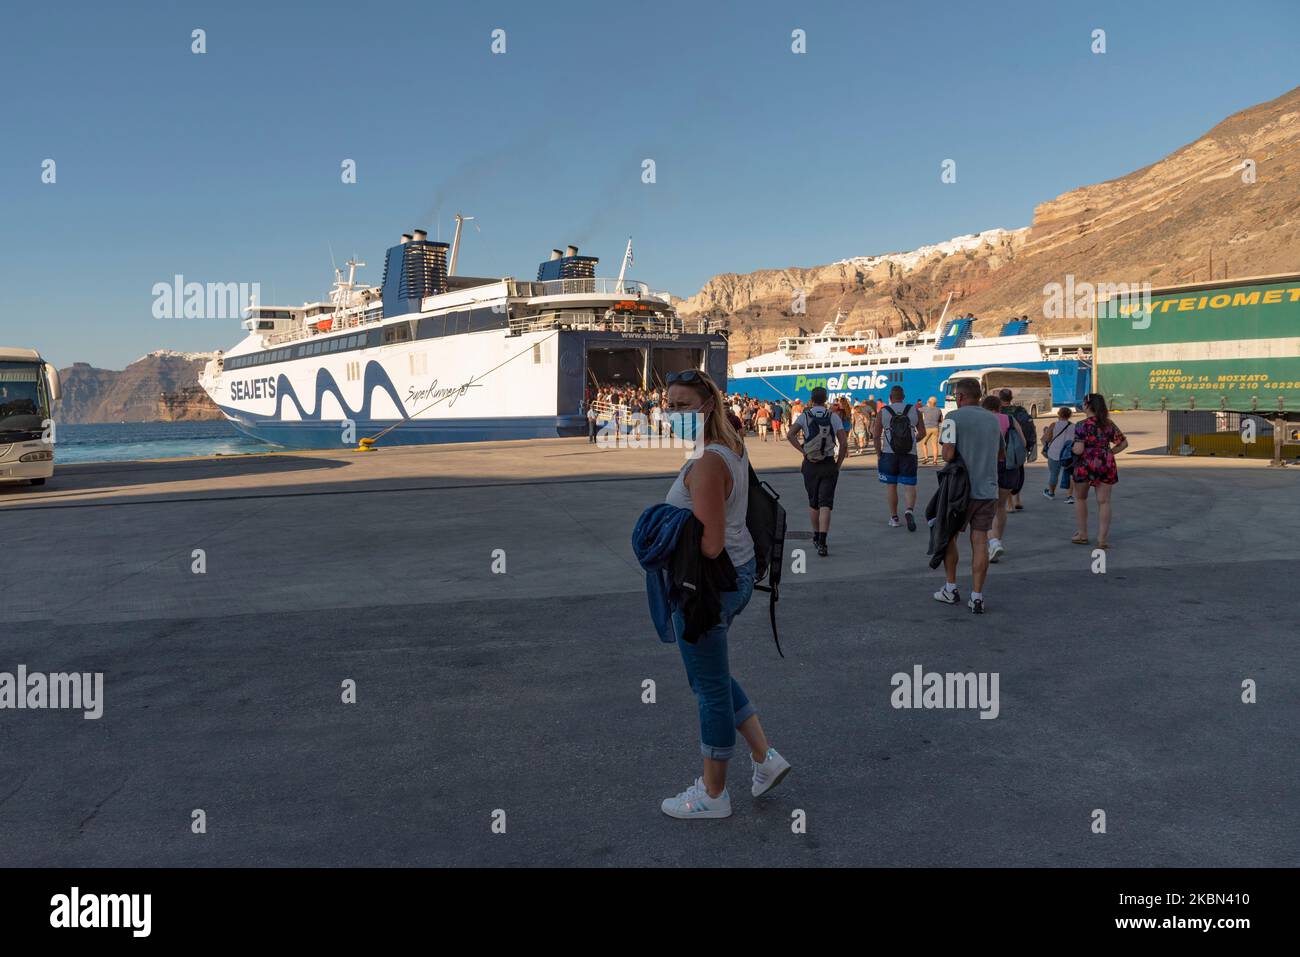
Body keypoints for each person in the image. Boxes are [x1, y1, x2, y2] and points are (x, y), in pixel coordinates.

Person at [658, 369, 791, 819]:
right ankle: (765, 758)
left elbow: (710, 542)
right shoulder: (730, 443)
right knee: (711, 676)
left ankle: (713, 796)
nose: (673, 413)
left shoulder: (709, 461)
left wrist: (663, 535)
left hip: (708, 587)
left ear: (707, 406)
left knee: (709, 689)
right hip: (734, 574)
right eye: (669, 405)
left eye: (682, 405)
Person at [935, 378, 1001, 614]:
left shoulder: (953, 418)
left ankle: (950, 588)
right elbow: (1000, 454)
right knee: (980, 540)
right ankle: (977, 596)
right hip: (988, 490)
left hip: (959, 492)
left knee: (950, 536)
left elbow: (948, 455)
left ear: (960, 397)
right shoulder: (993, 420)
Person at [788, 386, 848, 557]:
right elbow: (843, 443)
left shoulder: (805, 415)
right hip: (828, 463)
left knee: (813, 503)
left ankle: (815, 536)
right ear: (826, 398)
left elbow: (790, 434)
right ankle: (823, 541)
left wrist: (803, 451)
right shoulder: (833, 416)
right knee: (826, 504)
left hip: (810, 464)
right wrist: (838, 464)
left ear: (812, 399)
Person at [1071, 393, 1128, 548]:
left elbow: (1078, 449)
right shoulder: (1108, 424)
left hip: (1085, 464)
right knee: (1104, 502)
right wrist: (1108, 453)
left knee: (1081, 498)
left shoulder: (1081, 425)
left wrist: (1071, 449)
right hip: (1106, 464)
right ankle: (1102, 539)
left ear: (1087, 406)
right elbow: (1123, 444)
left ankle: (1082, 534)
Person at [981, 394, 1026, 563]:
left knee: (988, 506)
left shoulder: (983, 420)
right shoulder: (1010, 419)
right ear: (999, 407)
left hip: (989, 466)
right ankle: (997, 541)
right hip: (1009, 466)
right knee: (1000, 506)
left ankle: (993, 544)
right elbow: (1022, 442)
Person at [872, 386, 925, 531]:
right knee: (909, 485)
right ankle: (909, 510)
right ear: (903, 396)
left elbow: (876, 435)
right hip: (909, 454)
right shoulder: (914, 410)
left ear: (890, 397)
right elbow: (922, 433)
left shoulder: (883, 412)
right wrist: (912, 442)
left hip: (889, 454)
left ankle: (894, 518)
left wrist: (879, 453)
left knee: (891, 486)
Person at [998, 388, 1036, 510]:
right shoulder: (1020, 411)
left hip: (1004, 447)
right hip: (1019, 446)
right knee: (1018, 470)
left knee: (1006, 473)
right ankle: (1017, 499)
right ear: (1011, 398)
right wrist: (1029, 445)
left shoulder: (999, 412)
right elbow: (1029, 428)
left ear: (1000, 398)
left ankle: (1009, 503)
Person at [1042, 408, 1076, 502]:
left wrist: (1045, 432)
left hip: (1054, 453)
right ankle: (1069, 496)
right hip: (1068, 454)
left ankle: (1051, 493)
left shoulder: (1053, 425)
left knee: (1054, 474)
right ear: (1069, 415)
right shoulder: (1074, 426)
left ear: (1059, 414)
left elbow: (1047, 439)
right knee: (1069, 474)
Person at [919, 396, 943, 464]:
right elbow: (941, 420)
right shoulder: (938, 410)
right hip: (935, 428)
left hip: (927, 428)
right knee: (934, 445)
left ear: (929, 402)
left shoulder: (925, 408)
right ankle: (935, 461)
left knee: (924, 443)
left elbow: (916, 410)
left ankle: (926, 459)